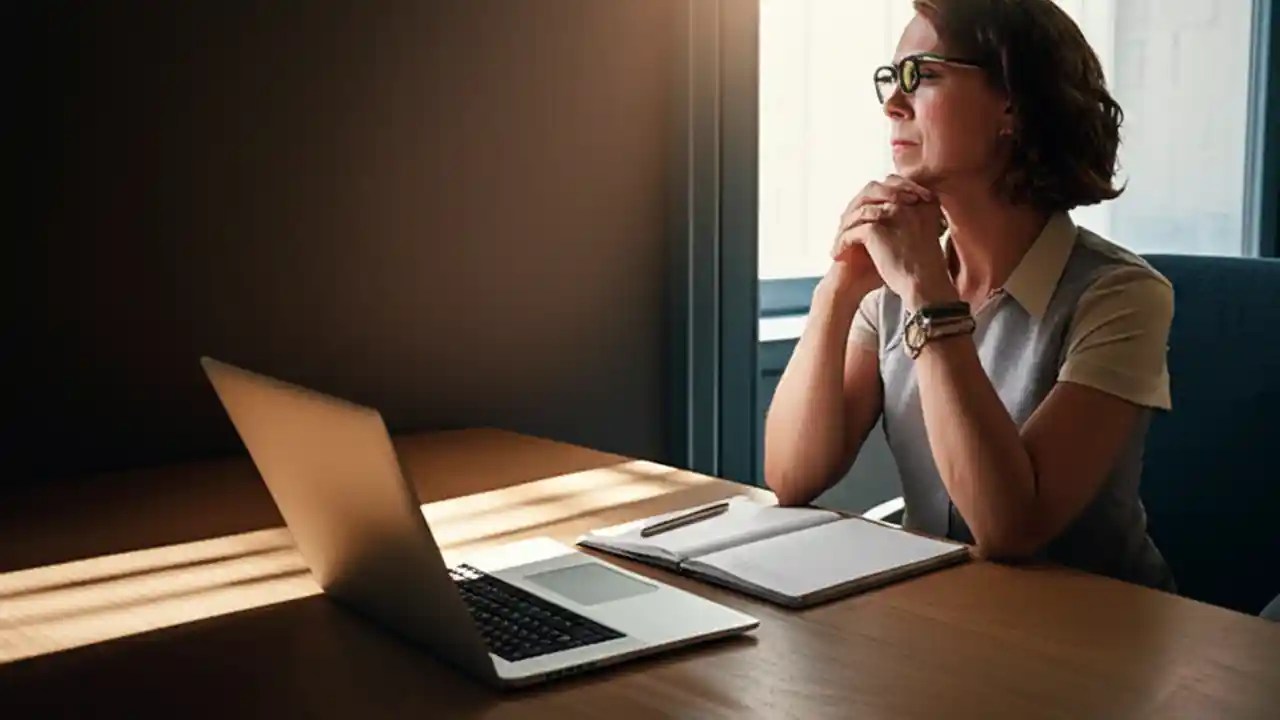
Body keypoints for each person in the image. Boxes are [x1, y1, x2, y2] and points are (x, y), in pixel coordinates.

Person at [763, 0, 1176, 592]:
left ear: (1013, 102)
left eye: (922, 75)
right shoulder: (891, 286)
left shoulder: (1123, 296)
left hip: (1094, 637)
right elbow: (792, 476)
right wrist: (840, 286)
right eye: (891, 77)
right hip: (938, 618)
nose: (892, 103)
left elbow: (1010, 529)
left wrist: (929, 293)